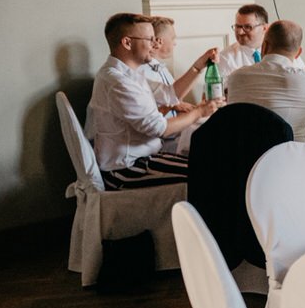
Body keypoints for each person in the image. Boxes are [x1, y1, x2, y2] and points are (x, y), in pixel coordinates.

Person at [86, 13, 218, 188]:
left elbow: (169, 94)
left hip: (145, 158)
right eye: (150, 39)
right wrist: (199, 112)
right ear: (127, 42)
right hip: (126, 168)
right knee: (208, 175)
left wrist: (198, 66)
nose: (155, 44)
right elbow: (159, 128)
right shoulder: (117, 82)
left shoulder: (129, 74)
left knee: (212, 165)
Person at [223, 21, 305, 143]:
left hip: (243, 153)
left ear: (264, 46)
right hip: (289, 153)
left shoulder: (235, 77)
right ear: (298, 53)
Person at [145, 16, 217, 112]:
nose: (175, 43)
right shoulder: (143, 71)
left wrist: (200, 67)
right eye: (173, 38)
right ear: (159, 41)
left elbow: (176, 95)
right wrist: (173, 106)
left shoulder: (162, 68)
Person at [215, 3, 269, 78]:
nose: (240, 32)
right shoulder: (226, 58)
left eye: (247, 27)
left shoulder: (279, 52)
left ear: (265, 28)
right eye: (237, 26)